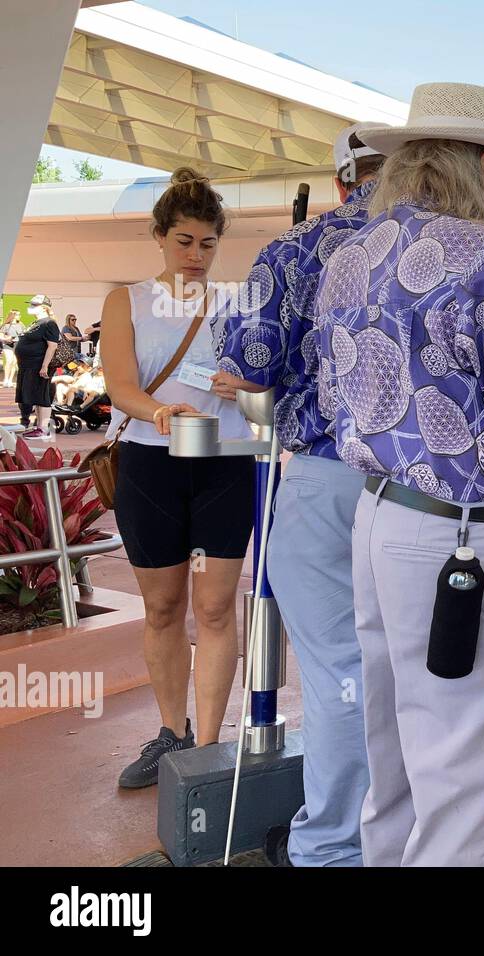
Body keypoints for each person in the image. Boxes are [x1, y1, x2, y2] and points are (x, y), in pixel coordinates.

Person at [317, 82, 484, 867]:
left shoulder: (350, 252)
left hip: (378, 518)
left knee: (392, 762)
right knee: (468, 780)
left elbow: (334, 396)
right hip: (462, 536)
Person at [211, 123, 388, 867]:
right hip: (435, 496)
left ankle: (333, 847)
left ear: (343, 178)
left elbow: (247, 359)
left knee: (340, 672)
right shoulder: (473, 242)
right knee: (411, 670)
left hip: (324, 475)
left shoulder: (298, 246)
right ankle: (398, 833)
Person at [103, 168, 255, 789]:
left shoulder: (242, 302)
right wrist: (159, 410)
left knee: (216, 607)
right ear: (160, 238)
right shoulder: (128, 300)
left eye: (207, 244)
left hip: (223, 460)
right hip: (149, 463)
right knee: (163, 607)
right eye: (184, 241)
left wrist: (243, 385)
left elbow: (267, 393)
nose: (195, 255)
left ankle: (208, 752)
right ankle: (172, 732)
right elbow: (120, 387)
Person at [13, 294, 61, 439]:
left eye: (34, 305)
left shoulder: (49, 323)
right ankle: (39, 426)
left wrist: (45, 366)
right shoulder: (36, 323)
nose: (30, 307)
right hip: (28, 365)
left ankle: (44, 429)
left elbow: (52, 346)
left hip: (38, 365)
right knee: (36, 397)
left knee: (42, 396)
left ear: (44, 308)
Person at [1, 310, 24, 388]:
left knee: (14, 362)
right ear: (13, 315)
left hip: (17, 344)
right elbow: (1, 335)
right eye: (18, 314)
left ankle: (10, 380)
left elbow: (24, 334)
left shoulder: (20, 324)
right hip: (8, 344)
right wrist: (7, 338)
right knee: (9, 360)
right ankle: (6, 379)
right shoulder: (6, 325)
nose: (19, 316)